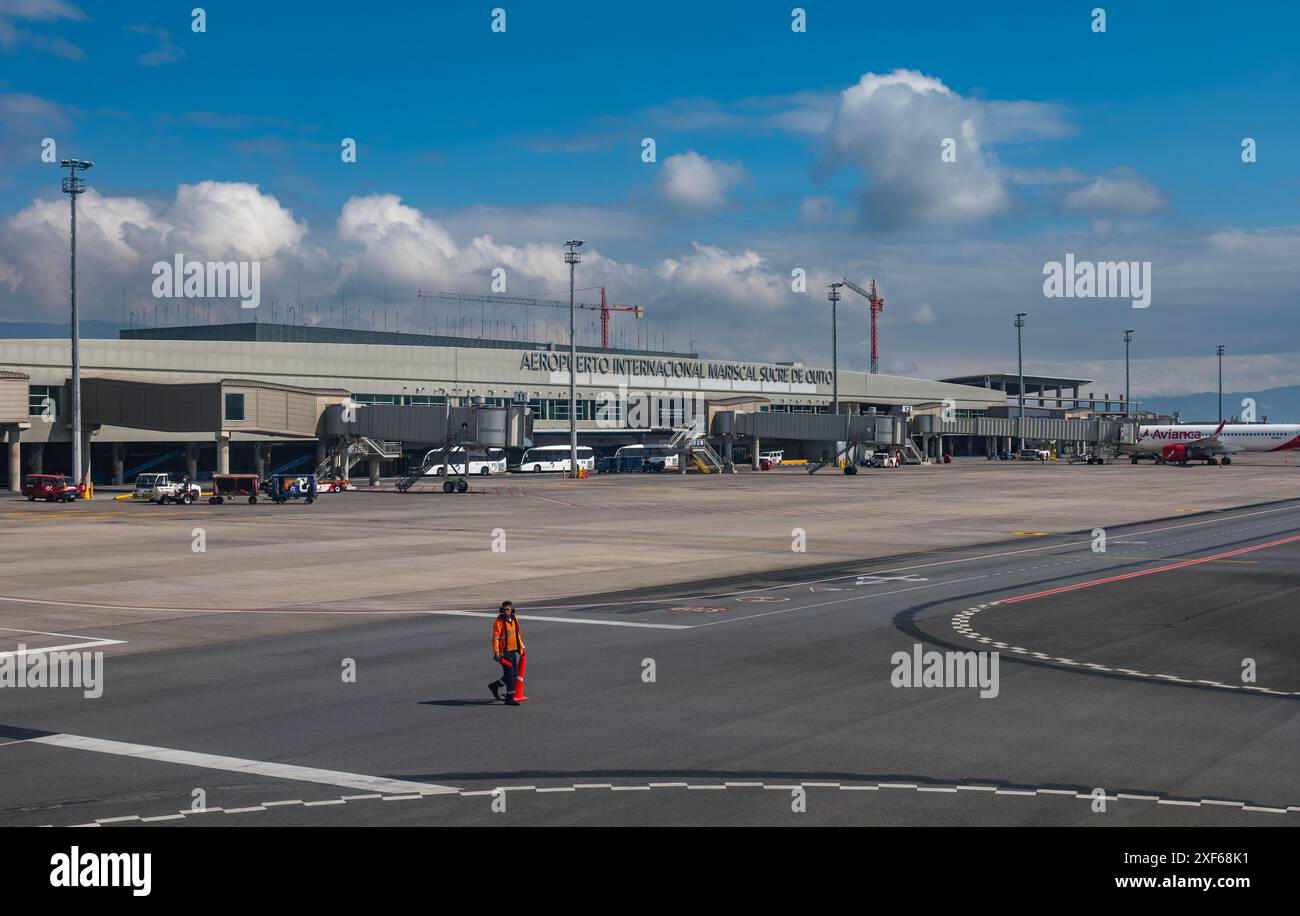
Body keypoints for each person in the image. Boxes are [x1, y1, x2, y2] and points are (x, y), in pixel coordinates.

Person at [488, 601, 525, 706]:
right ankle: (509, 698)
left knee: (514, 674)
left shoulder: (515, 619)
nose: (506, 611)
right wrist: (496, 653)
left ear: (512, 610)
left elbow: (518, 634)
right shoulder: (499, 622)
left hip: (513, 650)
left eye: (508, 609)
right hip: (504, 652)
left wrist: (521, 647)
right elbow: (495, 638)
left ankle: (495, 686)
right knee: (510, 675)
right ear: (501, 610)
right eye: (504, 610)